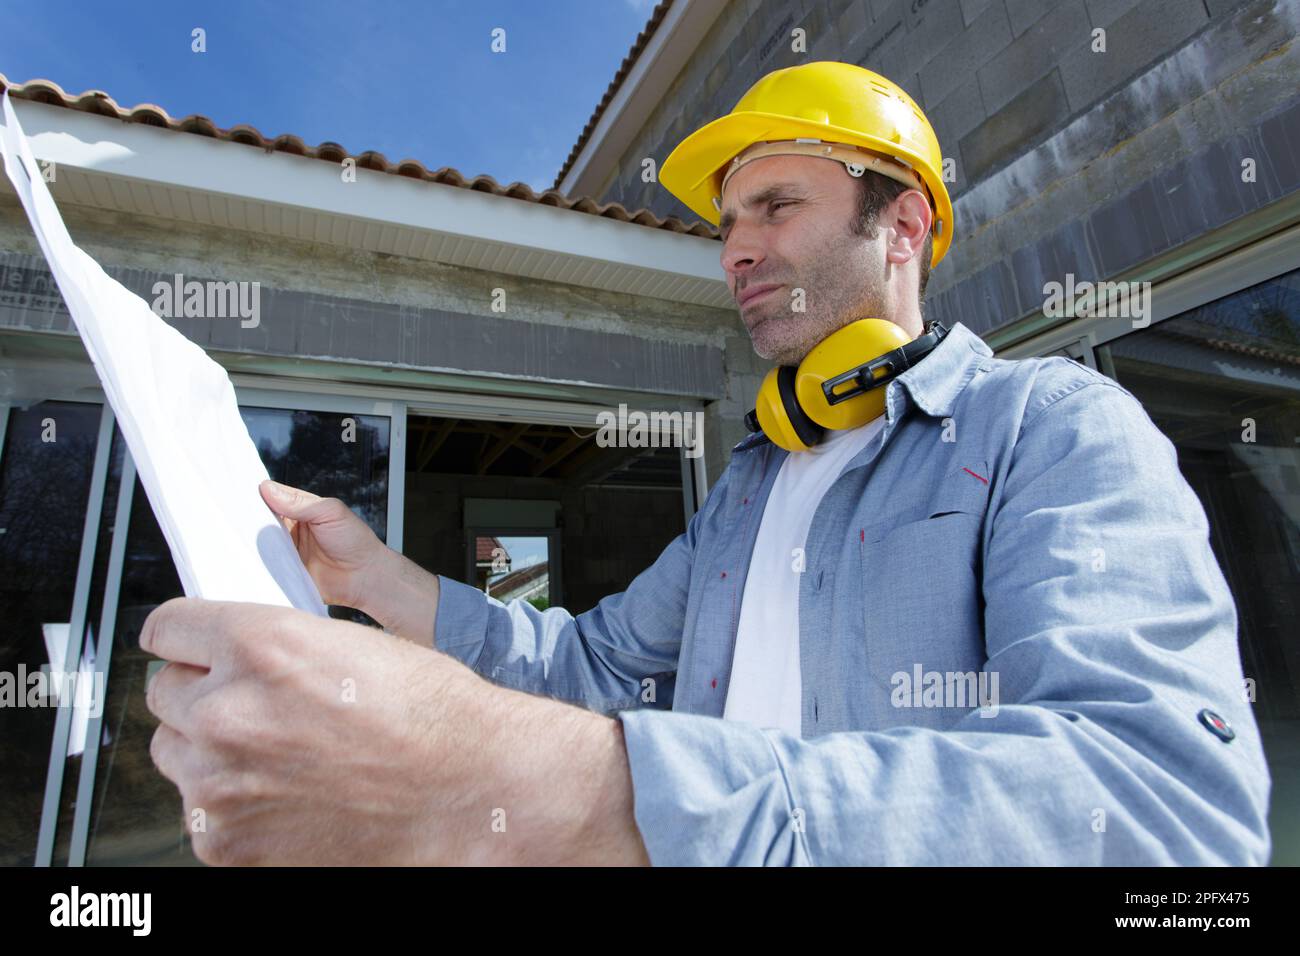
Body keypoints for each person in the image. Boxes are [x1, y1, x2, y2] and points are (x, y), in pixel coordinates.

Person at [143, 61, 1271, 866]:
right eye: (728, 222)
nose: (735, 248)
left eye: (776, 206)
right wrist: (378, 581)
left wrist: (520, 780)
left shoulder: (1050, 427)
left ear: (903, 225)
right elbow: (593, 665)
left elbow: (1160, 805)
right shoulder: (750, 486)